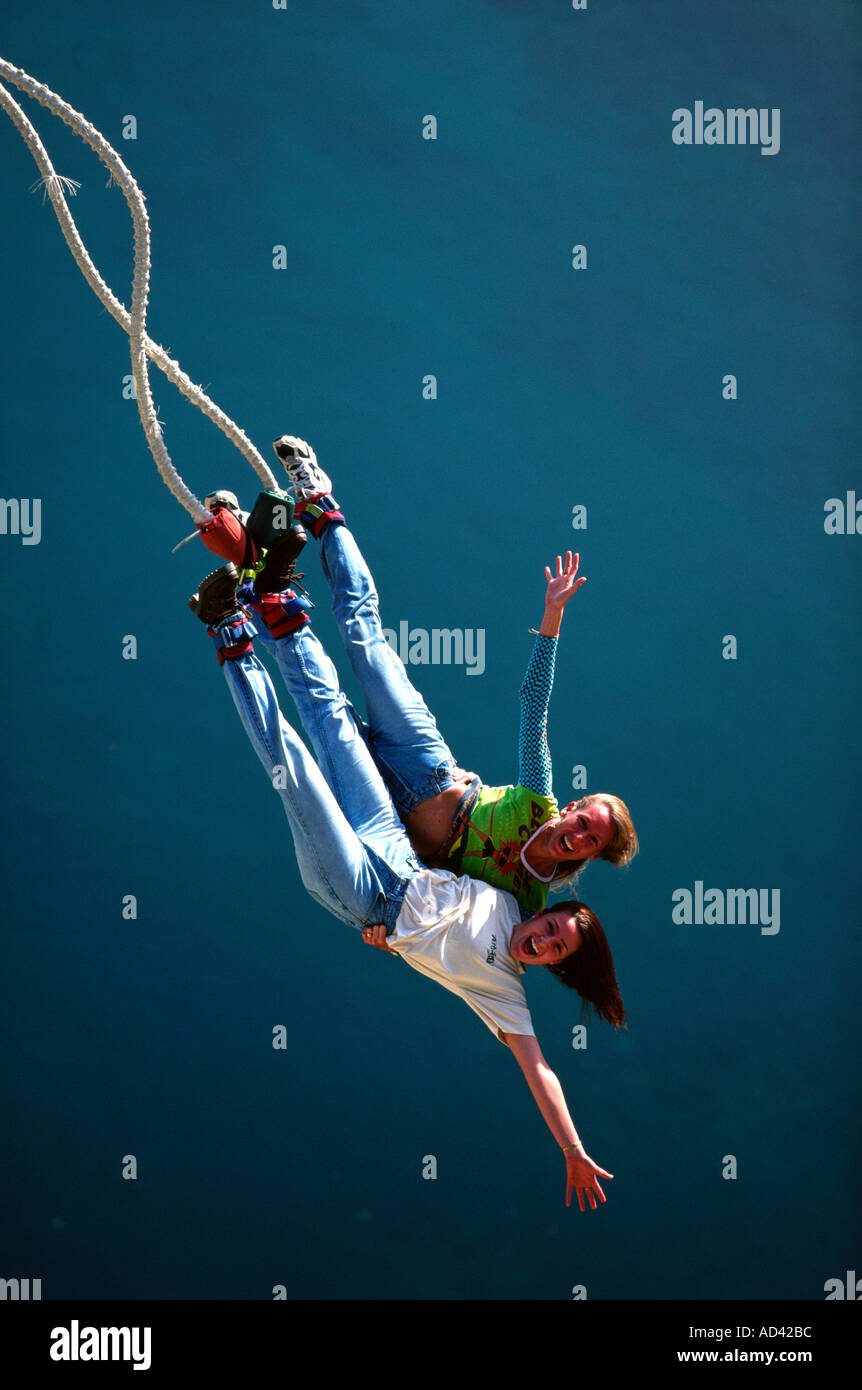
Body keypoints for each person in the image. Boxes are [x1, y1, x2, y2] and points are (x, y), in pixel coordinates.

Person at [187, 534, 626, 1212]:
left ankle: (230, 635)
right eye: (551, 929)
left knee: (297, 772)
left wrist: (570, 1150)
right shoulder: (518, 885)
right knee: (337, 714)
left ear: (551, 961)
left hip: (368, 897)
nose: (540, 938)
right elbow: (532, 710)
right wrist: (552, 617)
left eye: (553, 946)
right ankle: (270, 586)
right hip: (398, 844)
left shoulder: (505, 993)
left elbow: (540, 1072)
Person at [199, 436, 638, 931]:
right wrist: (552, 616)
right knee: (366, 640)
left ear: (592, 855)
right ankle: (319, 503)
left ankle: (262, 586)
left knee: (321, 705)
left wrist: (394, 938)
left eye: (591, 843)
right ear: (574, 808)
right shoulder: (539, 802)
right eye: (584, 825)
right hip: (425, 762)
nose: (579, 838)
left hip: (387, 818)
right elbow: (533, 709)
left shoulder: (525, 901)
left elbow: (461, 937)